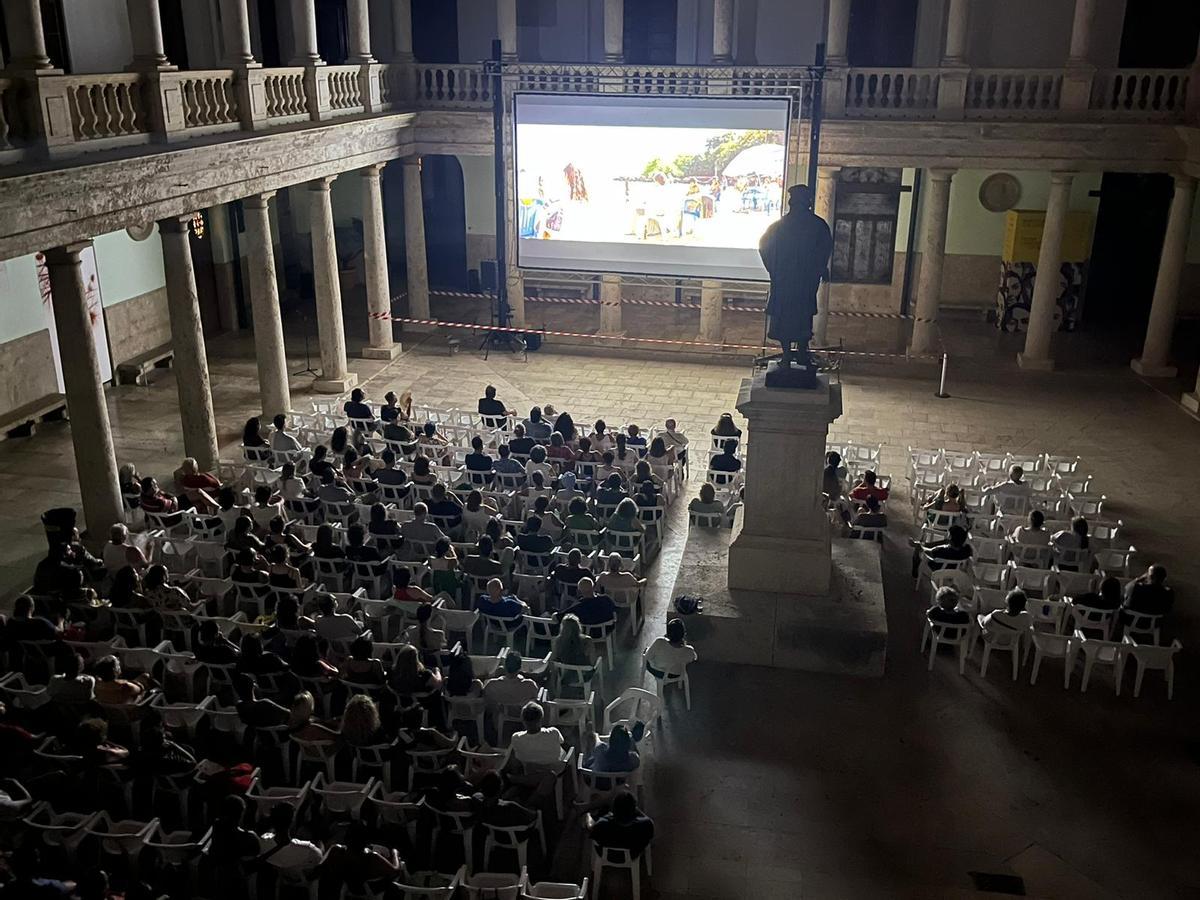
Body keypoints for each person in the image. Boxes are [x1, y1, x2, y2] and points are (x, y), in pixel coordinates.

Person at [588, 790, 655, 859]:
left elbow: (591, 830)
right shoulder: (646, 825)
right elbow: (647, 819)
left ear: (613, 810)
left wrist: (589, 817)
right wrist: (634, 808)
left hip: (606, 856)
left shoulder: (601, 825)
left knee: (596, 811)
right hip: (633, 855)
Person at [256, 804, 323, 871]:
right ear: (292, 822)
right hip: (298, 878)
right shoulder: (308, 849)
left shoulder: (263, 841)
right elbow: (320, 857)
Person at [510, 701, 565, 768]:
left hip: (529, 772)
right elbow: (562, 741)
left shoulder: (516, 737)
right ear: (541, 719)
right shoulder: (554, 732)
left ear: (523, 721)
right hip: (553, 771)